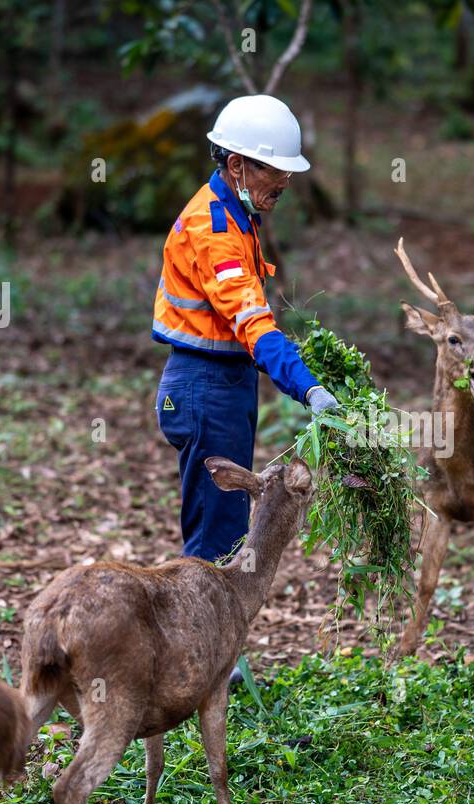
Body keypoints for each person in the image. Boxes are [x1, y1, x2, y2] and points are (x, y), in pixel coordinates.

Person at [153, 94, 338, 564]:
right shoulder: (215, 231)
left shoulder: (238, 213)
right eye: (273, 171)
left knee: (227, 534)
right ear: (236, 165)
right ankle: (200, 636)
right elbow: (253, 323)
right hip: (205, 390)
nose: (285, 182)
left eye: (287, 171)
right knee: (216, 549)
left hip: (222, 386)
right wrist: (308, 389)